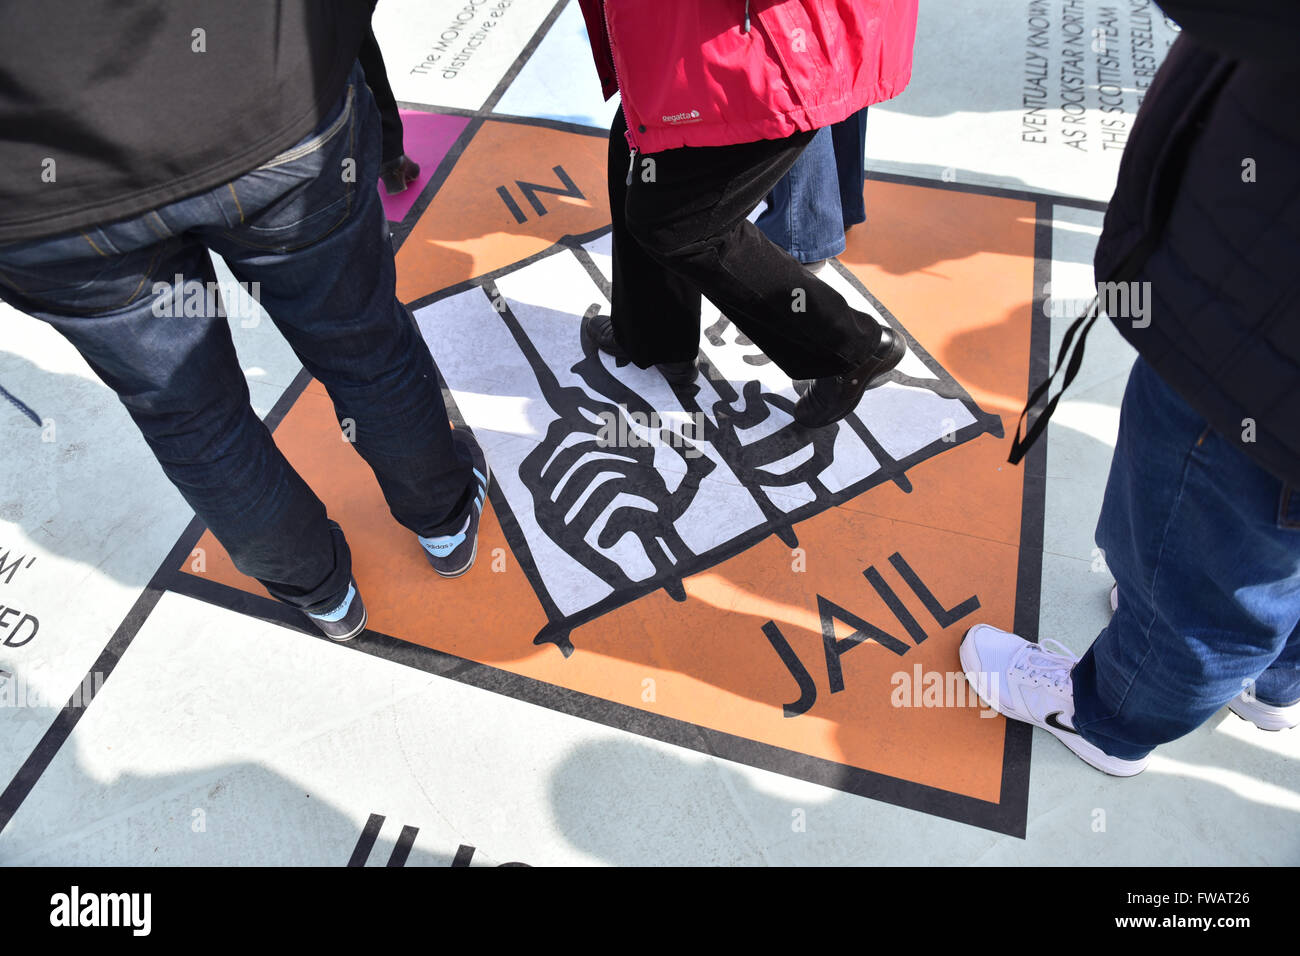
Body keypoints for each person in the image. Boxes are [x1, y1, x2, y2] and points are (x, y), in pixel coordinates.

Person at [0, 1, 490, 642]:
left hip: (47, 203)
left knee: (192, 418)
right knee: (361, 343)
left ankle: (320, 591)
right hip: (267, 101)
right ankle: (443, 520)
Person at [963, 0, 1300, 775]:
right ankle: (1274, 683)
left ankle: (1108, 716)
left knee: (1197, 564)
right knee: (1266, 542)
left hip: (1259, 333)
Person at [575, 1, 918, 428]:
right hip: (696, 36)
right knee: (638, 142)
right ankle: (655, 337)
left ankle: (852, 345)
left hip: (761, 47)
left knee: (678, 224)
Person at [756, 108, 871, 272]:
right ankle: (839, 202)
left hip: (796, 236)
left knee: (796, 89)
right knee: (838, 87)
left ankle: (800, 236)